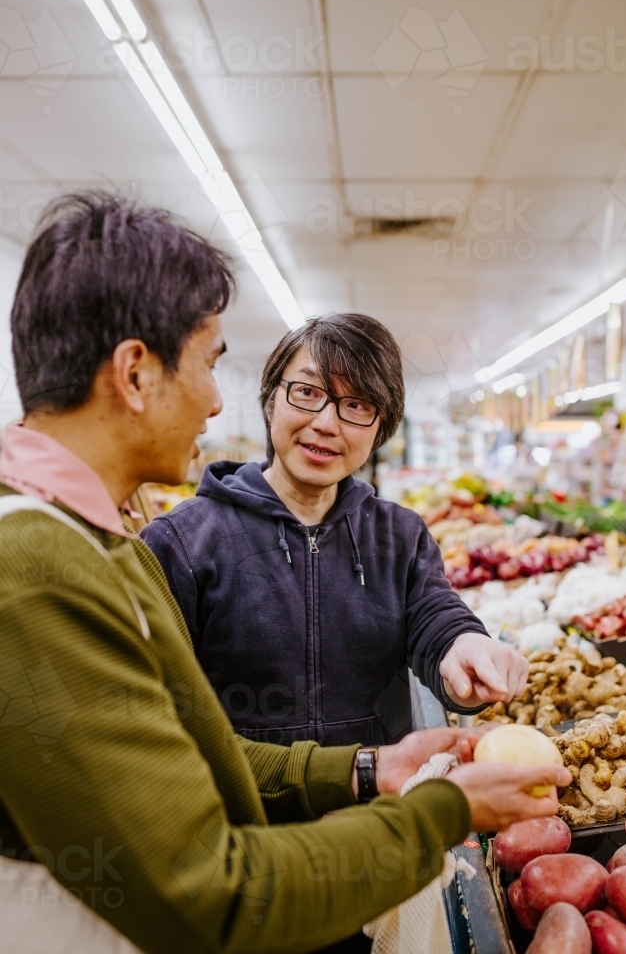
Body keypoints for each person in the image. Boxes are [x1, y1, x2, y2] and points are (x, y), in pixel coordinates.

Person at [0, 192, 568, 954]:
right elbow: (204, 886)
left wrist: (368, 767)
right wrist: (442, 812)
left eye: (357, 407)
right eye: (209, 366)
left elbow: (195, 743)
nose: (210, 402)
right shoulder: (79, 560)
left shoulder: (106, 546)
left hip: (340, 859)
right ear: (136, 373)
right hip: (246, 882)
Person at [144, 314, 529, 747]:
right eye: (307, 393)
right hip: (242, 807)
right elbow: (153, 712)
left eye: (358, 405)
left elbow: (434, 615)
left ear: (380, 428)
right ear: (272, 401)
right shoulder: (182, 542)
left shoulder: (400, 535)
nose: (327, 423)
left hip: (383, 806)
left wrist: (464, 645)